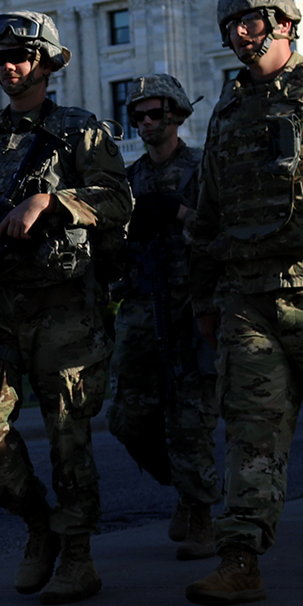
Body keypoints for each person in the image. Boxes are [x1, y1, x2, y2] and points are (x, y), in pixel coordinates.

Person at [0, 12, 131, 604]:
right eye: (0, 58)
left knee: (69, 432)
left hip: (63, 303)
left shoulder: (80, 130)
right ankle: (37, 522)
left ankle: (77, 554)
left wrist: (51, 199)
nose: (9, 67)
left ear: (46, 62)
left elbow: (118, 199)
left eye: (20, 56)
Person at [184, 0, 303, 605]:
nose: (240, 32)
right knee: (249, 431)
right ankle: (240, 561)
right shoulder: (228, 111)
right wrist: (205, 298)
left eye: (252, 21)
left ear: (284, 22)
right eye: (231, 24)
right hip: (249, 298)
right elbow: (208, 213)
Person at [106, 74, 221, 559]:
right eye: (139, 116)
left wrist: (180, 214)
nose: (148, 123)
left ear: (177, 116)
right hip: (140, 306)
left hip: (193, 308)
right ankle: (190, 489)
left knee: (188, 417)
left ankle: (200, 513)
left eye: (157, 114)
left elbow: (222, 232)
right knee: (127, 418)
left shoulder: (201, 169)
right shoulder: (129, 180)